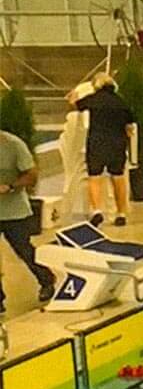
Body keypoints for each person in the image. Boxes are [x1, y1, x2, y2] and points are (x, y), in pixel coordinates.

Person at [68, 72, 134, 227]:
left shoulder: (94, 99)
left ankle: (97, 210)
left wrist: (73, 96)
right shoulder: (120, 101)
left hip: (97, 142)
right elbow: (130, 124)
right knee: (118, 177)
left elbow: (77, 105)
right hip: (117, 143)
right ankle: (121, 213)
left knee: (94, 176)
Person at [0, 128, 56, 305]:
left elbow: (32, 175)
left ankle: (46, 280)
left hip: (14, 211)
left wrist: (11, 186)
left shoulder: (14, 145)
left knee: (24, 250)